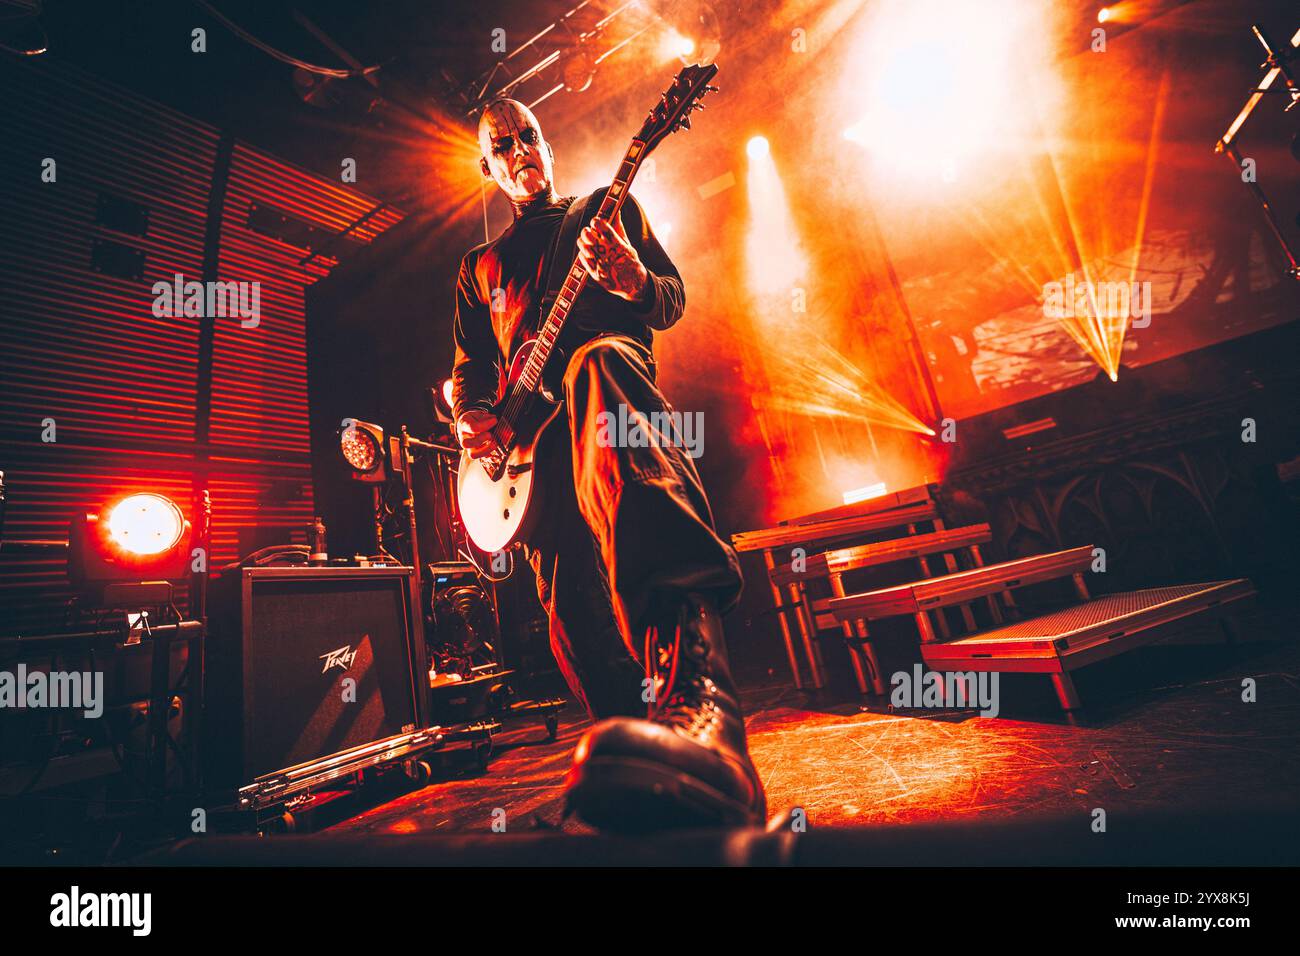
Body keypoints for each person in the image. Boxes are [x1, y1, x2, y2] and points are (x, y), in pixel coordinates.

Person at [450, 98, 766, 830]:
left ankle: (704, 704)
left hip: (604, 398)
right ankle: (642, 764)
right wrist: (471, 414)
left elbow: (670, 298)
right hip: (526, 451)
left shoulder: (604, 207)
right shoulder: (477, 268)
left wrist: (629, 280)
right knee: (569, 610)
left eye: (528, 134)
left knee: (597, 361)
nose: (520, 149)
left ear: (545, 142)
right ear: (487, 165)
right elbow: (470, 367)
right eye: (504, 143)